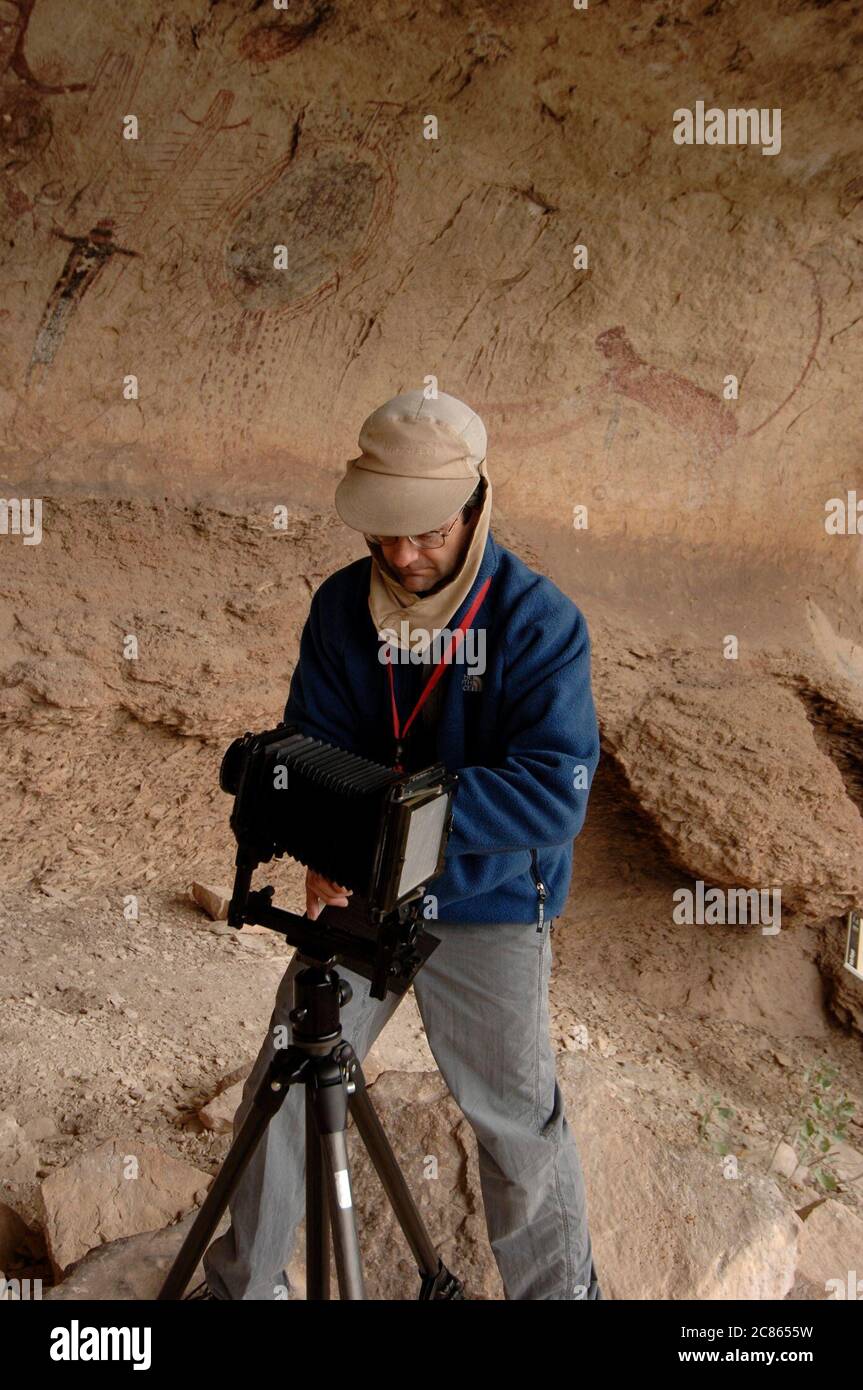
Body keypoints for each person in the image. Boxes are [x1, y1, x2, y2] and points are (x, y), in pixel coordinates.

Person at [199, 389, 604, 1300]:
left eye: (424, 534)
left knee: (511, 1123)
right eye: (384, 534)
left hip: (489, 904)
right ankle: (242, 1289)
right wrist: (324, 839)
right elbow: (314, 740)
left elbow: (554, 794)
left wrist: (400, 823)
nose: (401, 555)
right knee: (285, 1084)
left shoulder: (539, 623)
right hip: (364, 895)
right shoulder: (342, 608)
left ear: (474, 508)